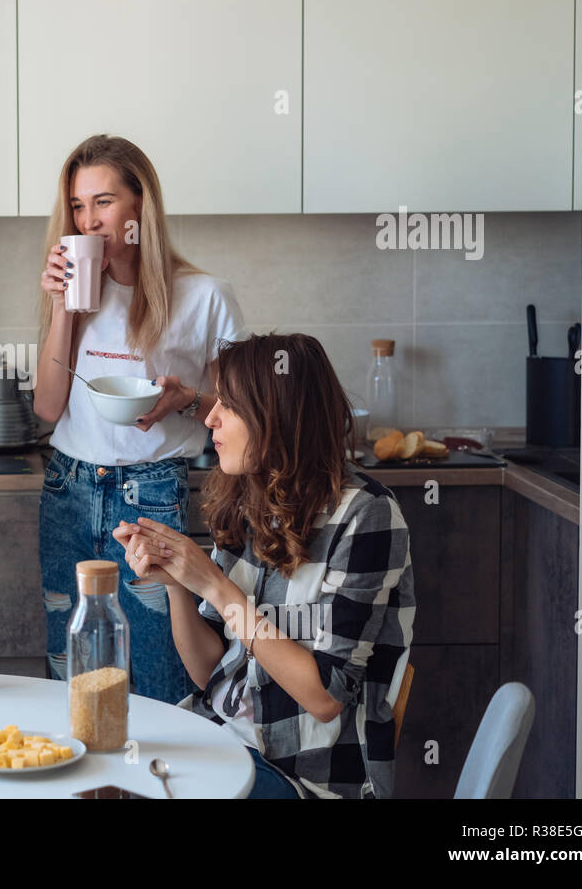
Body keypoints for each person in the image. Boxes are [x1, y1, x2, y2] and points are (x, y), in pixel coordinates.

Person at [113, 333, 416, 798]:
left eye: (228, 406)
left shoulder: (367, 515)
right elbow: (209, 670)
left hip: (308, 776)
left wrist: (214, 586)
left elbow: (325, 697)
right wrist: (176, 582)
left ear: (279, 418)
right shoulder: (245, 498)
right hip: (220, 740)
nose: (210, 417)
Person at [33, 134, 247, 704]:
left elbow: (248, 418)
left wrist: (186, 401)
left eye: (103, 202)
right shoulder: (76, 290)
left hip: (149, 494)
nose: (89, 220)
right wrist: (63, 309)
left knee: (158, 677)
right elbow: (48, 408)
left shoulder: (205, 297)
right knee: (73, 675)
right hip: (69, 488)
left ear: (140, 206)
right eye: (78, 206)